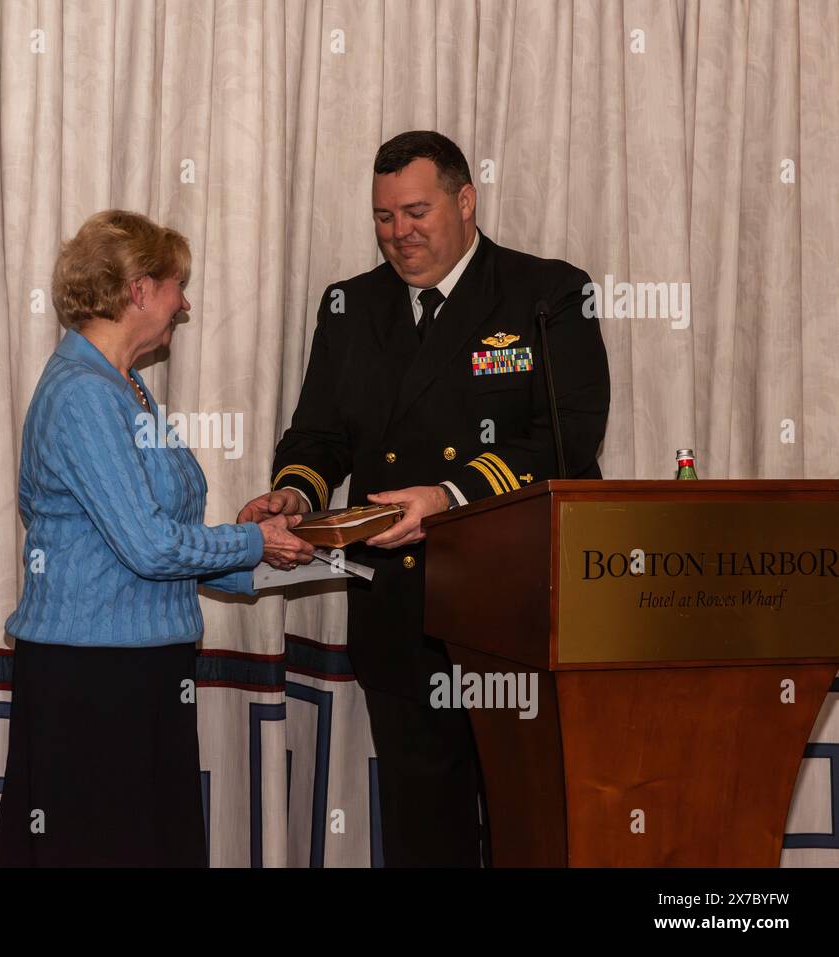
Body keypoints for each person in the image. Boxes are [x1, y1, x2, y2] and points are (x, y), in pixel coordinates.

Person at [239, 131, 611, 866]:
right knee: (423, 830)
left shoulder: (546, 294)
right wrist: (293, 490)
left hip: (513, 608)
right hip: (398, 612)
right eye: (383, 217)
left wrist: (447, 495)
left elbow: (567, 444)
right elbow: (318, 432)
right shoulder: (350, 304)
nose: (399, 233)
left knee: (531, 823)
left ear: (466, 200)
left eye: (415, 211)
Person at [0, 209, 311, 867]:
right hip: (94, 679)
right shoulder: (83, 393)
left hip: (138, 671)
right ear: (136, 288)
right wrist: (253, 545)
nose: (183, 304)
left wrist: (265, 549)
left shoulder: (124, 387)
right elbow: (150, 545)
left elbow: (154, 546)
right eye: (174, 285)